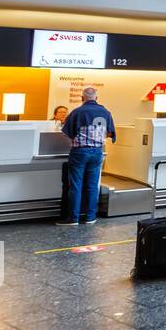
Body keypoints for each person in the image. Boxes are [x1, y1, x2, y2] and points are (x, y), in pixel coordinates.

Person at [57, 87, 116, 226]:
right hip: (97, 152)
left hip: (80, 152)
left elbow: (67, 132)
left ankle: (73, 218)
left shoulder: (77, 112)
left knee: (76, 186)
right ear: (96, 98)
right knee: (92, 185)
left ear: (82, 98)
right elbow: (110, 132)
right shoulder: (106, 112)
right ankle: (90, 217)